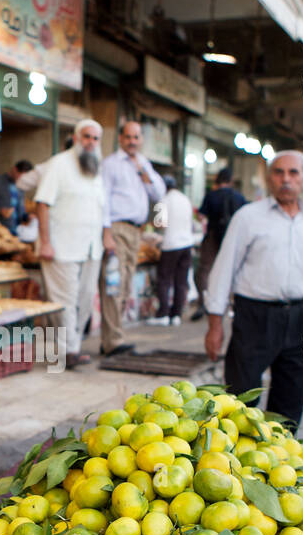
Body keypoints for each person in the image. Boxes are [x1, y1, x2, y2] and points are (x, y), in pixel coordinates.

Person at [203, 150, 303, 425]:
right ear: (270, 178)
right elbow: (223, 269)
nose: (286, 179)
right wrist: (215, 325)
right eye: (279, 172)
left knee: (294, 396)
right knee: (240, 398)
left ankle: (281, 464)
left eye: (293, 173)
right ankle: (233, 464)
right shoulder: (248, 217)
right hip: (253, 318)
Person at [35, 119, 115, 369]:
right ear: (76, 138)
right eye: (86, 137)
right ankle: (66, 351)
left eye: (95, 138)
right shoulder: (58, 164)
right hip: (60, 247)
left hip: (90, 247)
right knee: (64, 301)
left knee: (84, 299)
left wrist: (107, 235)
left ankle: (74, 346)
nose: (91, 142)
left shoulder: (97, 171)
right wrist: (45, 242)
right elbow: (42, 204)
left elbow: (104, 209)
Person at [98, 121, 164, 356]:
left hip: (136, 232)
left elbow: (159, 192)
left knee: (124, 286)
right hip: (116, 229)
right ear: (120, 138)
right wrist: (106, 233)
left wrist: (142, 171)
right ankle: (113, 341)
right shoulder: (111, 164)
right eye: (128, 137)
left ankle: (111, 337)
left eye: (137, 137)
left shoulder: (142, 164)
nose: (133, 142)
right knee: (114, 284)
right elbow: (103, 199)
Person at [192, 169, 247, 320]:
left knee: (205, 270)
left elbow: (201, 215)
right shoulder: (238, 197)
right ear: (230, 180)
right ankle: (231, 304)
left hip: (212, 236)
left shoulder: (211, 195)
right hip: (232, 238)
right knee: (232, 270)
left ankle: (204, 302)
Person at [147, 174, 197, 326]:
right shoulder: (185, 199)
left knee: (164, 280)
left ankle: (163, 313)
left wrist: (153, 227)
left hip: (170, 244)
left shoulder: (163, 200)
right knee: (181, 281)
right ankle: (176, 314)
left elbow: (160, 224)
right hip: (187, 244)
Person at [0, 159, 33, 233]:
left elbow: (20, 213)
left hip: (15, 231)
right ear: (15, 169)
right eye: (21, 176)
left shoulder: (20, 186)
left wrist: (28, 217)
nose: (21, 179)